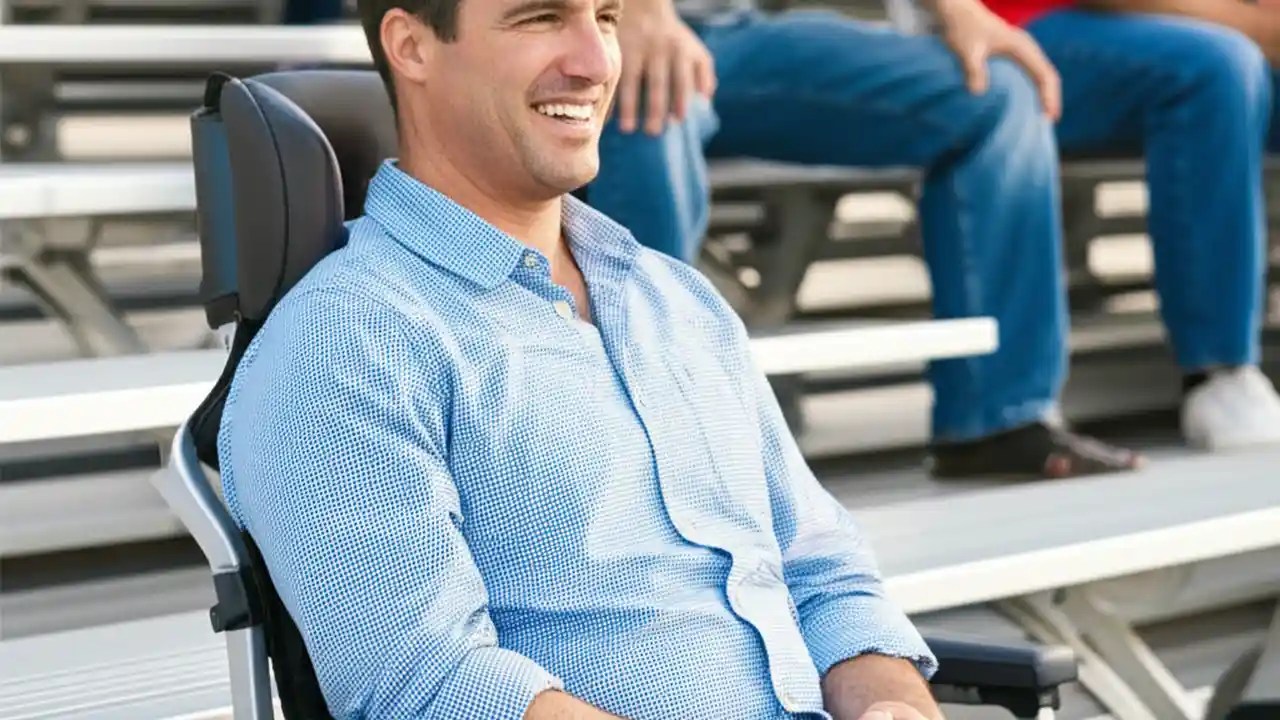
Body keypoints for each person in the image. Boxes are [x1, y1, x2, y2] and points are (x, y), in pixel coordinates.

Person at [218, 0, 943, 718]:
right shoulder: (346, 341)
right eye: (540, 18)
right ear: (411, 46)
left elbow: (824, 574)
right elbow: (430, 685)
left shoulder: (678, 300)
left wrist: (893, 702)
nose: (595, 64)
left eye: (605, 17)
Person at [586, 0, 1280, 479]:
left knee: (1000, 92)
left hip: (740, 36)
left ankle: (998, 420)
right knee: (655, 103)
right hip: (604, 31)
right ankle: (654, 444)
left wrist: (957, 12)